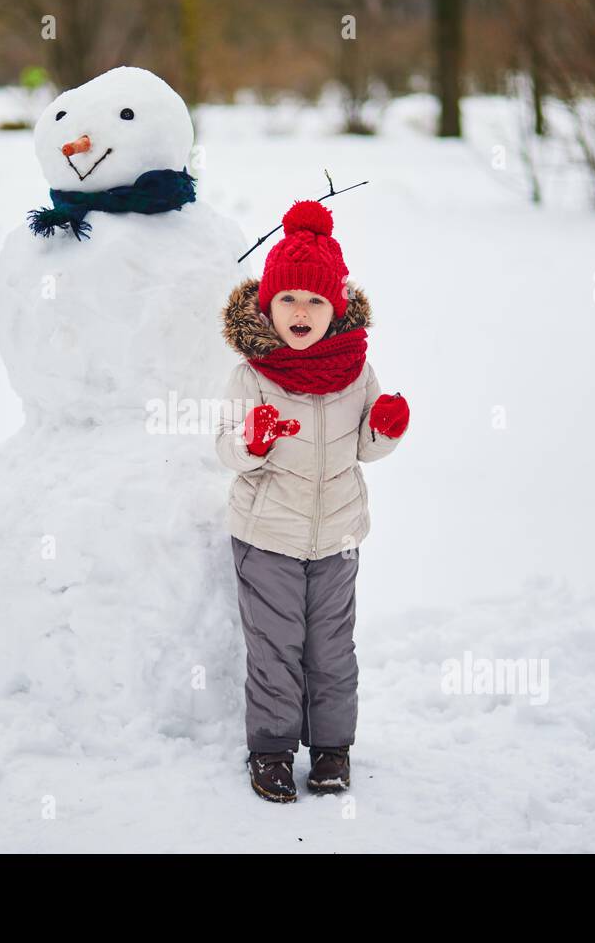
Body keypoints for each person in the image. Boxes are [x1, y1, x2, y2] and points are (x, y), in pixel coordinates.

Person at [216, 200, 409, 802]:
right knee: (275, 650)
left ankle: (332, 748)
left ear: (337, 307)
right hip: (266, 536)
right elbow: (226, 447)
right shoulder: (253, 373)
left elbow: (364, 449)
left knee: (331, 649)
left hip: (339, 537)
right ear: (268, 306)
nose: (302, 312)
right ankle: (271, 750)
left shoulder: (357, 371)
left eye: (316, 301)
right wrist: (254, 440)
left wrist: (384, 429)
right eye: (289, 300)